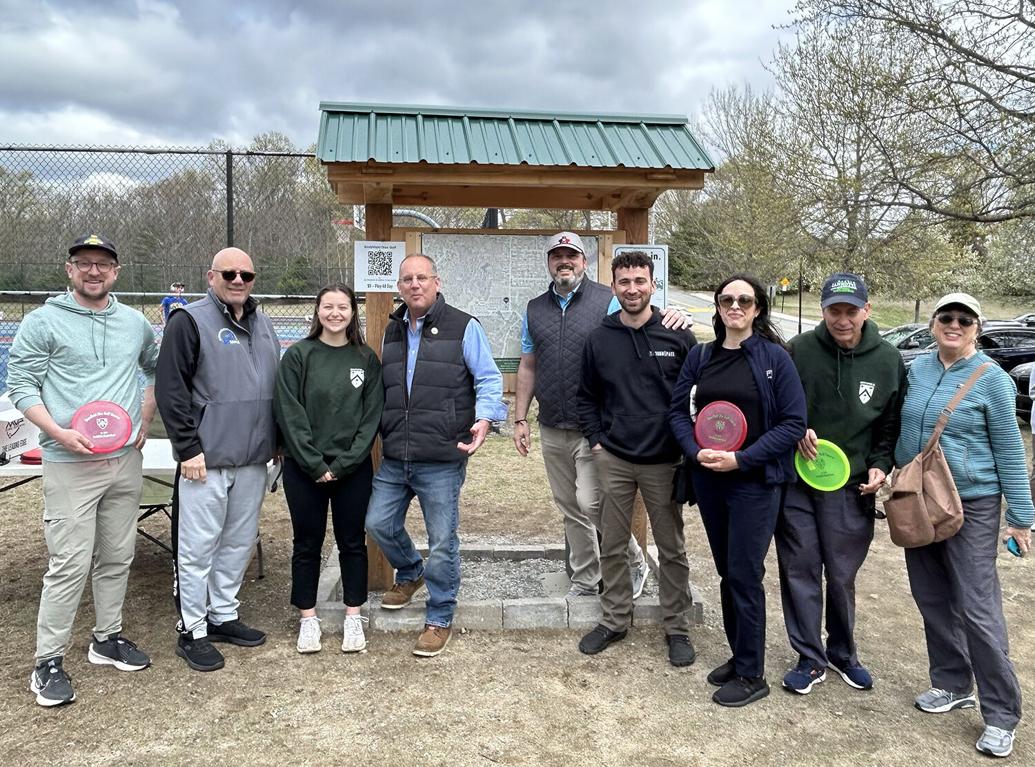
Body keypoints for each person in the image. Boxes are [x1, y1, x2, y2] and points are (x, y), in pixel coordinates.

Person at [8, 233, 159, 707]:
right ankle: (47, 662)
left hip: (123, 460)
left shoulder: (135, 323)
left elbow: (155, 371)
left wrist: (145, 420)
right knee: (69, 562)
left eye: (103, 264)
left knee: (117, 554)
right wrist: (57, 430)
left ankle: (106, 637)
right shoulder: (42, 322)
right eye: (84, 263)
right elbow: (22, 385)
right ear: (69, 268)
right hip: (70, 462)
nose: (94, 271)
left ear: (116, 271)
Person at [513, 231, 691, 598]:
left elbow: (642, 316)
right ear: (549, 262)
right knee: (569, 508)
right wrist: (519, 419)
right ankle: (585, 579)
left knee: (590, 502)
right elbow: (528, 365)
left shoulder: (608, 300)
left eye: (572, 255)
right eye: (557, 256)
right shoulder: (534, 309)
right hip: (551, 425)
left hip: (594, 427)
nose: (565, 261)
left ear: (585, 261)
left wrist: (677, 313)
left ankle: (634, 559)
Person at [894, 292, 1032, 758]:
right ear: (933, 323)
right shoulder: (919, 369)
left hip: (971, 503)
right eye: (946, 317)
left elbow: (1011, 450)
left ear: (976, 327)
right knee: (931, 595)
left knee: (977, 605)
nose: (954, 324)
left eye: (964, 319)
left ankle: (1000, 713)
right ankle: (952, 683)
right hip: (918, 499)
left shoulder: (992, 379)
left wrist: (1020, 517)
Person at [669, 273, 806, 708]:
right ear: (718, 305)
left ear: (758, 308)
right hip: (710, 479)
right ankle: (739, 653)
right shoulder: (702, 356)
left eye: (744, 300)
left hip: (753, 483)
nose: (735, 306)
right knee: (729, 571)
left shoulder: (774, 359)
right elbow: (677, 411)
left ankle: (752, 674)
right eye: (727, 299)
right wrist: (695, 451)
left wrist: (742, 459)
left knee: (746, 575)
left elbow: (792, 423)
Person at [365, 253, 507, 657]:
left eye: (421, 278)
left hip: (442, 456)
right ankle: (410, 571)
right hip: (396, 455)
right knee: (377, 522)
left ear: (436, 282)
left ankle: (439, 616)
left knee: (443, 541)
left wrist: (484, 420)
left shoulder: (464, 326)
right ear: (399, 286)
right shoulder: (392, 331)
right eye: (407, 279)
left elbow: (488, 378)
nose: (414, 285)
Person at [776, 272, 907, 695]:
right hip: (798, 481)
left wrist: (880, 465)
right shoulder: (798, 351)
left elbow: (889, 428)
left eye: (852, 310)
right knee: (800, 569)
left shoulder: (888, 360)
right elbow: (778, 407)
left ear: (867, 311)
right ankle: (809, 658)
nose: (843, 319)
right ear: (824, 310)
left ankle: (843, 652)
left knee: (842, 573)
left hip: (851, 487)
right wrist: (796, 429)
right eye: (835, 310)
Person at [156, 247, 280, 672]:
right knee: (196, 547)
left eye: (247, 273)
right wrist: (188, 448)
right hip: (204, 460)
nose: (238, 280)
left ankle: (223, 614)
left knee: (238, 542)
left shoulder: (263, 323)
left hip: (252, 458)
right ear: (211, 276)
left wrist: (275, 443)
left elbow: (273, 388)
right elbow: (170, 390)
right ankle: (192, 628)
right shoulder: (188, 321)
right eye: (229, 273)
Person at [574, 250, 697, 666]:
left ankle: (677, 627)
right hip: (614, 458)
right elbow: (586, 397)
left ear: (652, 284)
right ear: (614, 287)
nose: (632, 289)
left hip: (664, 459)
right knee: (611, 541)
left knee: (671, 546)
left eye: (640, 281)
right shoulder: (599, 338)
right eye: (624, 282)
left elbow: (701, 392)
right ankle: (614, 620)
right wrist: (596, 441)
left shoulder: (678, 335)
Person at [273, 284, 383, 654]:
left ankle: (354, 615)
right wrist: (315, 463)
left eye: (343, 307)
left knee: (352, 542)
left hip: (352, 470)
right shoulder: (299, 356)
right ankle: (308, 619)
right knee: (307, 543)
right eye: (328, 307)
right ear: (317, 311)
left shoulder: (365, 359)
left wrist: (344, 464)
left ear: (353, 313)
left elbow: (370, 419)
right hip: (305, 470)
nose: (335, 313)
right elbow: (290, 414)